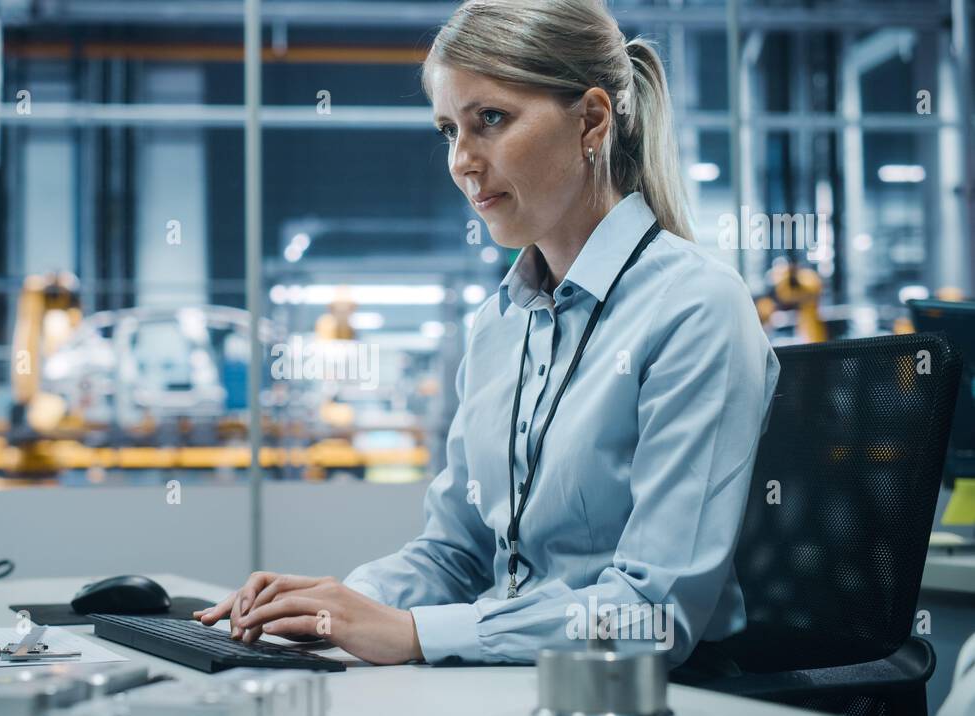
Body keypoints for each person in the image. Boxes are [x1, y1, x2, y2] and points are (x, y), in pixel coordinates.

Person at [195, 0, 780, 668]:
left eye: (490, 120)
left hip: (648, 699)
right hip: (512, 682)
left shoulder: (695, 306)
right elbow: (459, 551)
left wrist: (417, 634)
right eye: (448, 130)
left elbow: (650, 612)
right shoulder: (499, 324)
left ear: (591, 120)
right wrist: (342, 605)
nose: (462, 161)